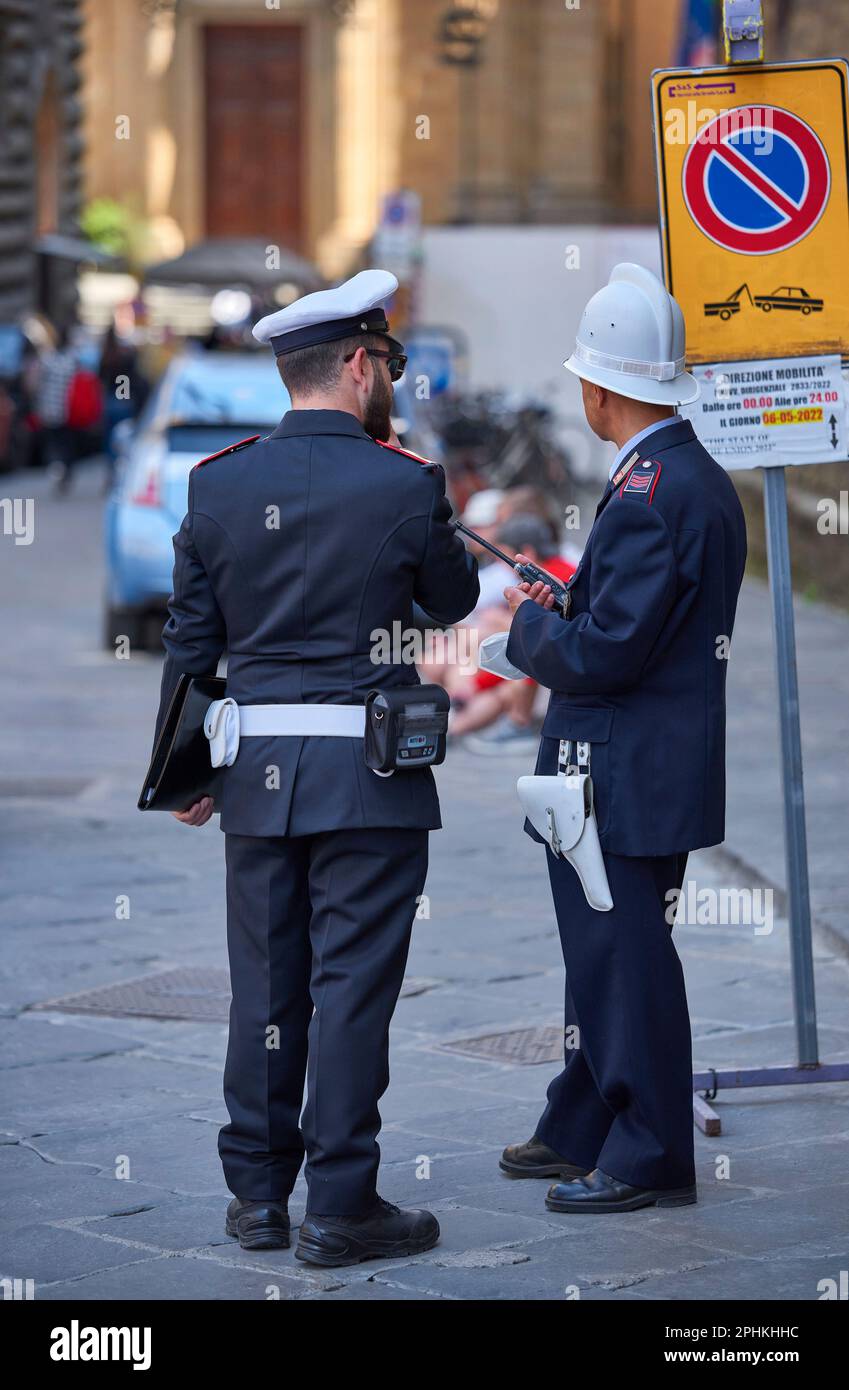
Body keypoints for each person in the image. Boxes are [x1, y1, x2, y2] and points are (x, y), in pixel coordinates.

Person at [151, 270, 479, 1265]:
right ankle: (340, 1204)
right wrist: (427, 511)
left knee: (263, 990)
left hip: (253, 778)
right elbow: (453, 600)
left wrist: (184, 775)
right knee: (352, 992)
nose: (392, 375)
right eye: (385, 361)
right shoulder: (405, 478)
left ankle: (257, 1198)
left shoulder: (218, 482)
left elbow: (190, 645)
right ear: (352, 363)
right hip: (369, 782)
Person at [499, 263, 747, 1213]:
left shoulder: (648, 490)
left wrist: (527, 633)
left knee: (623, 959)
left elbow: (608, 653)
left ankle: (645, 1153)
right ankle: (584, 1119)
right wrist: (569, 602)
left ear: (602, 385)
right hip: (647, 764)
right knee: (605, 953)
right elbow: (643, 623)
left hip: (620, 771)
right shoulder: (682, 473)